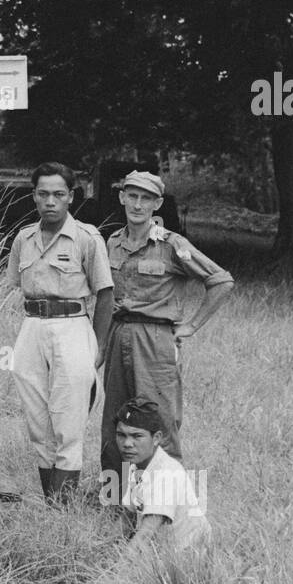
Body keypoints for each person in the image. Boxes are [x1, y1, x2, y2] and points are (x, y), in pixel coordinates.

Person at [101, 170, 234, 479]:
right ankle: (115, 497)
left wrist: (191, 325)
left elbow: (221, 281)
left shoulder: (172, 244)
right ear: (122, 197)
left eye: (145, 199)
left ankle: (163, 500)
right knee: (116, 419)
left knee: (158, 416)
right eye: (131, 196)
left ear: (157, 204)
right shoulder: (113, 242)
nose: (137, 204)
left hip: (155, 338)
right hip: (118, 332)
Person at [6, 161, 113, 504]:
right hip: (33, 326)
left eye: (58, 194)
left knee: (68, 419)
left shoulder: (86, 237)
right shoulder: (23, 238)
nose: (50, 201)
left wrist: (97, 347)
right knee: (37, 418)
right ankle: (50, 498)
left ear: (70, 197)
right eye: (43, 194)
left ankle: (63, 507)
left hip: (72, 326)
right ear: (34, 196)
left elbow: (106, 294)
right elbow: (14, 287)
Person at [113, 397, 211, 551]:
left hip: (186, 558)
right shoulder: (138, 466)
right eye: (121, 435)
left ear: (156, 438)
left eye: (137, 436)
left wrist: (110, 574)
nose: (127, 444)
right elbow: (126, 520)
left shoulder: (167, 474)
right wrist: (99, 550)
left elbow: (144, 537)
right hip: (160, 552)